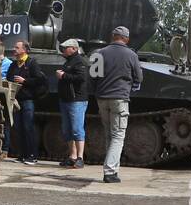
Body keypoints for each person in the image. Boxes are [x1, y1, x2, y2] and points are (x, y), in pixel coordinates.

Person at [89, 25, 142, 184]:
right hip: (119, 98)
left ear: (112, 36)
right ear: (126, 38)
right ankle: (110, 171)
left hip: (102, 98)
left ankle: (112, 169)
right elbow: (139, 78)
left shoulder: (98, 53)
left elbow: (92, 76)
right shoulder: (131, 55)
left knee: (109, 134)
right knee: (118, 135)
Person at [8, 40, 47, 166]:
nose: (14, 49)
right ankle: (22, 154)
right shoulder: (14, 64)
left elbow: (39, 80)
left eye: (17, 47)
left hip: (27, 100)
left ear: (24, 50)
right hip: (16, 101)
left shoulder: (32, 63)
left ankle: (32, 155)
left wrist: (25, 81)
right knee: (18, 128)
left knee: (28, 127)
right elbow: (9, 77)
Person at [55, 38, 89, 168]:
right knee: (67, 129)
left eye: (66, 47)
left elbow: (81, 78)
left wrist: (63, 76)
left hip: (76, 100)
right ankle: (72, 156)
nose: (63, 49)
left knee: (76, 129)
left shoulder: (79, 61)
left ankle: (80, 157)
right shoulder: (69, 61)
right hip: (66, 99)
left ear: (74, 49)